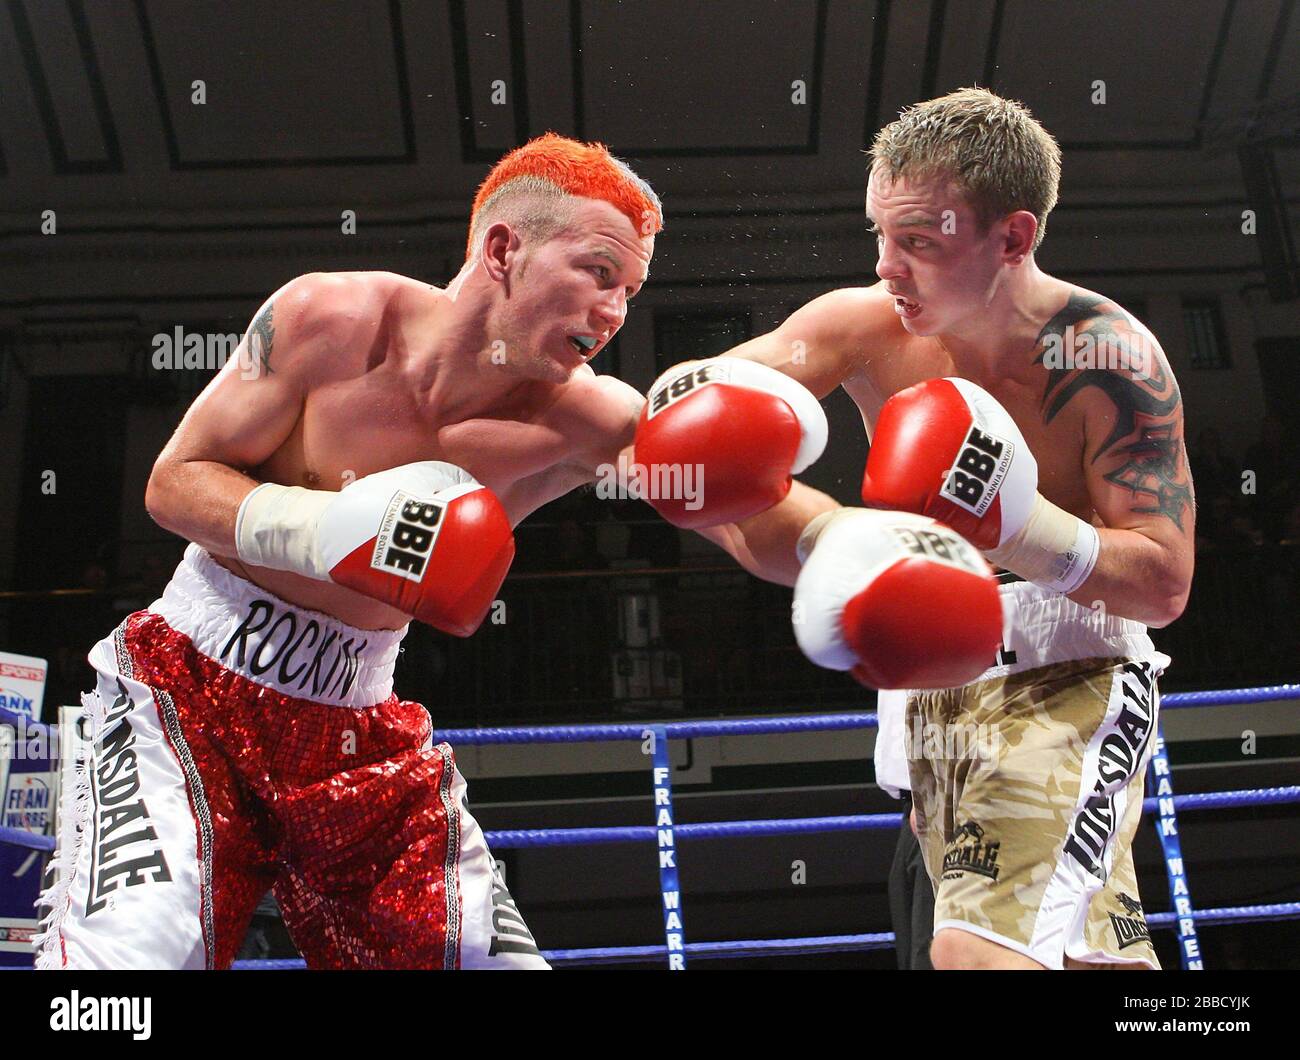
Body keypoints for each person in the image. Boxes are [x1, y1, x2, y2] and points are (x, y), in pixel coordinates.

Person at [36, 133, 849, 970]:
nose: (615, 313)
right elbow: (174, 482)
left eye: (631, 292)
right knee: (125, 966)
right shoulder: (330, 318)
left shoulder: (585, 417)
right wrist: (325, 531)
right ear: (504, 248)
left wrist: (851, 543)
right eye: (599, 274)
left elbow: (738, 515)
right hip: (186, 696)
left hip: (359, 730)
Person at [719, 88, 1195, 969]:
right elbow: (692, 438)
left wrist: (1019, 528)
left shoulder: (1107, 355)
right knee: (1098, 962)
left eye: (920, 243)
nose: (887, 266)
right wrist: (832, 541)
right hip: (928, 684)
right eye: (879, 235)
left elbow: (1164, 583)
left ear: (1013, 237)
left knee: (974, 955)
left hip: (1072, 679)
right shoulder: (859, 327)